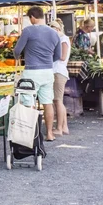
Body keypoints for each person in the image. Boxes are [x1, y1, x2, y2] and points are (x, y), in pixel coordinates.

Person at [13, 7, 62, 141]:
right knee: (47, 103)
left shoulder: (28, 30)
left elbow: (17, 50)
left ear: (33, 17)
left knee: (28, 102)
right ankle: (50, 133)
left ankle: (31, 134)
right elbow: (58, 55)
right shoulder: (54, 33)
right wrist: (47, 61)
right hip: (47, 71)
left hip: (31, 71)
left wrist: (17, 56)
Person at [49, 20, 70, 137]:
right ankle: (64, 126)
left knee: (57, 100)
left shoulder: (63, 39)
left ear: (57, 29)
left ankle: (59, 128)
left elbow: (62, 56)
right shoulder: (61, 39)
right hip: (57, 71)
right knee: (57, 100)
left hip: (58, 71)